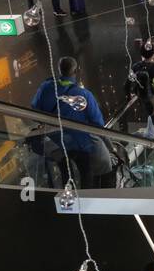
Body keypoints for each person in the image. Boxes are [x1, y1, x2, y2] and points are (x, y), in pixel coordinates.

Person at [30, 57, 107, 187]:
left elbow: (34, 110)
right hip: (80, 144)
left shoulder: (46, 87)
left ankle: (66, 198)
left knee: (64, 171)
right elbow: (98, 124)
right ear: (75, 71)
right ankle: (85, 200)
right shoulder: (84, 95)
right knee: (86, 173)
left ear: (59, 70)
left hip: (55, 142)